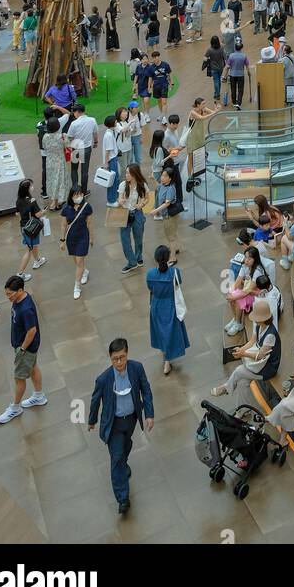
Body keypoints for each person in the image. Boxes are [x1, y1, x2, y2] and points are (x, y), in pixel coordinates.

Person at [88, 337, 155, 515]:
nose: (119, 362)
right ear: (110, 358)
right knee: (116, 457)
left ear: (127, 354)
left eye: (122, 357)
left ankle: (124, 464)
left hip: (131, 419)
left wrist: (149, 414)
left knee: (126, 446)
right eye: (115, 358)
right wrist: (92, 420)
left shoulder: (137, 368)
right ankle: (123, 498)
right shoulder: (103, 379)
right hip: (114, 423)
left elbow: (146, 390)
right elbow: (95, 401)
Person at [210, 297, 280, 408]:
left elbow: (260, 355)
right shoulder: (259, 326)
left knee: (239, 370)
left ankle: (226, 387)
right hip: (261, 364)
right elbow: (252, 341)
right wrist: (241, 349)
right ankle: (243, 410)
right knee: (243, 383)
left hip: (268, 368)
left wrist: (243, 354)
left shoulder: (270, 335)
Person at [0, 275, 46, 422]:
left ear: (20, 290)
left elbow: (32, 331)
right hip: (26, 345)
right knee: (33, 367)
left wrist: (22, 349)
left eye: (10, 294)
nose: (8, 297)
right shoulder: (21, 298)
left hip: (26, 347)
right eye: (6, 294)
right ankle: (39, 396)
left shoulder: (25, 309)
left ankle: (15, 407)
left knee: (19, 378)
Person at [147, 244, 189, 375]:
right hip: (171, 305)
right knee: (170, 331)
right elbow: (178, 283)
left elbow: (150, 288)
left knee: (161, 331)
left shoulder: (150, 274)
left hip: (157, 305)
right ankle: (167, 360)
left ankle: (166, 355)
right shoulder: (174, 272)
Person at [60, 184, 94, 299]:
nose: (78, 196)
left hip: (83, 237)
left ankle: (77, 286)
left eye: (80, 194)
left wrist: (91, 238)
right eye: (76, 194)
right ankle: (84, 271)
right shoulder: (66, 208)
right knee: (76, 260)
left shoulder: (86, 207)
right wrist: (62, 240)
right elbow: (64, 225)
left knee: (79, 261)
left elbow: (89, 223)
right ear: (71, 196)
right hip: (71, 238)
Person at [117, 163, 150, 274]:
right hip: (125, 214)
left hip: (137, 213)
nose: (126, 175)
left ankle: (138, 256)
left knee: (138, 238)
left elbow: (147, 198)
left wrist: (142, 204)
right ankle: (132, 262)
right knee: (125, 240)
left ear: (134, 174)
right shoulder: (122, 185)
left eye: (128, 173)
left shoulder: (142, 185)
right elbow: (119, 200)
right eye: (126, 172)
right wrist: (121, 201)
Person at [225, 244, 263, 336]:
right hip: (246, 291)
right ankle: (235, 318)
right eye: (246, 257)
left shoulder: (257, 271)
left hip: (255, 294)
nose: (246, 260)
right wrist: (230, 292)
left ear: (255, 259)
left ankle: (239, 323)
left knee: (237, 299)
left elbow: (249, 291)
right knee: (232, 294)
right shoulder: (244, 266)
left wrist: (234, 296)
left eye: (249, 258)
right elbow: (237, 281)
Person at [147, 164, 183, 257]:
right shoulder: (163, 185)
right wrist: (153, 179)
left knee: (171, 237)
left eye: (165, 176)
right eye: (162, 175)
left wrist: (156, 210)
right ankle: (175, 248)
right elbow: (158, 187)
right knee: (172, 234)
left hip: (169, 216)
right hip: (166, 215)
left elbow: (167, 203)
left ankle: (172, 258)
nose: (162, 177)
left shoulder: (171, 188)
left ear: (170, 178)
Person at [15, 179, 46, 279]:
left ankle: (37, 260)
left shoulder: (18, 200)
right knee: (29, 249)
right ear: (27, 189)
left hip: (24, 227)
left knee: (34, 245)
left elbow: (17, 214)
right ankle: (20, 274)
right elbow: (38, 214)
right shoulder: (32, 201)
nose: (32, 187)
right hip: (32, 228)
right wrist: (44, 211)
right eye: (31, 186)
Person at [64, 103, 98, 193]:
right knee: (84, 171)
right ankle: (84, 191)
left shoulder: (74, 124)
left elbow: (70, 137)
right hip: (86, 149)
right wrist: (95, 142)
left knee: (74, 169)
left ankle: (75, 188)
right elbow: (95, 133)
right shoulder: (92, 120)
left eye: (74, 112)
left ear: (77, 112)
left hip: (76, 149)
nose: (74, 114)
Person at [41, 116, 69, 210]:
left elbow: (44, 147)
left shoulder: (45, 136)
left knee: (52, 180)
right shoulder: (63, 136)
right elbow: (68, 147)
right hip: (60, 161)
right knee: (59, 181)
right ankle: (56, 203)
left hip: (49, 161)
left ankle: (53, 201)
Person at [225, 37, 252, 110]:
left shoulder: (231, 55)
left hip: (232, 75)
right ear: (241, 48)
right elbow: (247, 66)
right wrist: (249, 73)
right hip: (241, 75)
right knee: (240, 89)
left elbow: (227, 67)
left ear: (235, 48)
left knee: (233, 89)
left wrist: (225, 76)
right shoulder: (244, 56)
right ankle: (239, 103)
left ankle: (234, 102)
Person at [100, 114, 120, 207]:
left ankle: (113, 197)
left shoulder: (110, 132)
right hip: (111, 160)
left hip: (112, 159)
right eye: (115, 121)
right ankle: (111, 200)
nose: (117, 122)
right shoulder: (108, 135)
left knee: (115, 179)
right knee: (112, 180)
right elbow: (108, 150)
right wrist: (106, 163)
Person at [149, 51, 172, 120]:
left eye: (156, 57)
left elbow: (169, 74)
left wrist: (171, 83)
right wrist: (150, 87)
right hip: (156, 86)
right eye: (153, 58)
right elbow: (150, 78)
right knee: (159, 100)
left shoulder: (165, 65)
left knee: (164, 101)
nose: (155, 59)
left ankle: (163, 116)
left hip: (164, 85)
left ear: (159, 57)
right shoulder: (151, 67)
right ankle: (162, 113)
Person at [203, 35, 226, 104]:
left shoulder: (210, 50)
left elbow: (205, 58)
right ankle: (217, 92)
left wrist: (208, 59)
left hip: (213, 68)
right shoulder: (221, 48)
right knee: (219, 80)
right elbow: (225, 57)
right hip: (221, 67)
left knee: (216, 80)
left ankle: (217, 95)